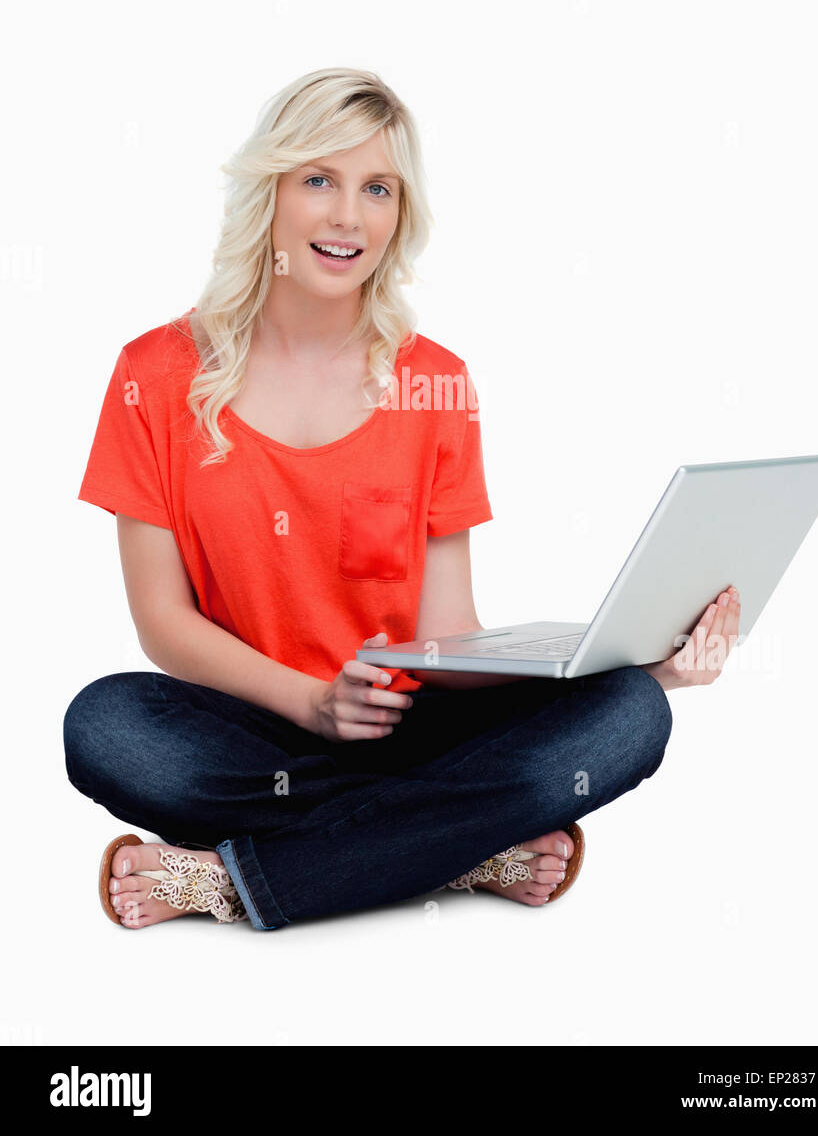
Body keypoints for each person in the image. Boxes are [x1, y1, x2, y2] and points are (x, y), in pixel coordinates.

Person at [63, 67, 740, 931]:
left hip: (408, 725)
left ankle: (230, 884)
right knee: (107, 728)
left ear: (399, 215)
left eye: (377, 189)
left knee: (631, 717)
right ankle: (462, 846)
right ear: (270, 193)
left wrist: (641, 665)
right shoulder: (153, 374)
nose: (349, 215)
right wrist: (312, 702)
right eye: (320, 180)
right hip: (252, 728)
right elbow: (162, 622)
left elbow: (447, 630)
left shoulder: (437, 382)